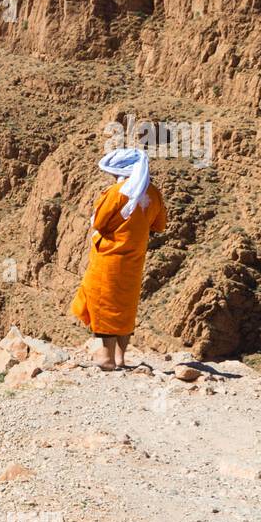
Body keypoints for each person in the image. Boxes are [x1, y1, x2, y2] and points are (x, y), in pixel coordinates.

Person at [69, 148, 167, 370]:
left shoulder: (117, 192)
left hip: (109, 258)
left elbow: (99, 222)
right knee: (125, 305)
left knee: (104, 304)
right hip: (135, 258)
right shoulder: (153, 193)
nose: (112, 178)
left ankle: (106, 358)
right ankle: (121, 357)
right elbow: (159, 225)